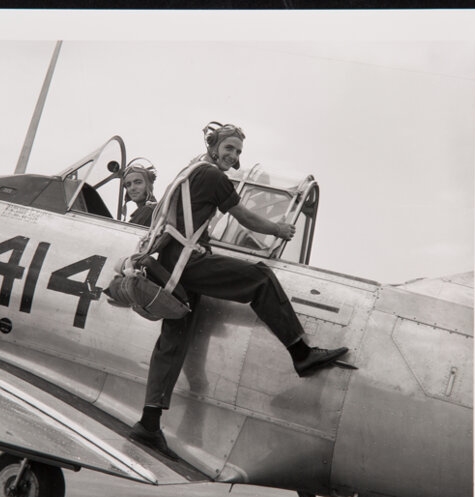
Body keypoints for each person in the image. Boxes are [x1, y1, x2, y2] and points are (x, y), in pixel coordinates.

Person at [129, 122, 349, 460]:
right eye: (229, 149)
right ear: (214, 146)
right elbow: (244, 217)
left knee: (172, 343)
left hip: (173, 264)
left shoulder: (190, 170)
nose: (234, 156)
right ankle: (302, 354)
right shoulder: (214, 177)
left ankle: (149, 423)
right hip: (187, 264)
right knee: (260, 278)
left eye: (238, 152)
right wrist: (279, 228)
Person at [121, 159, 158, 226]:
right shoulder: (142, 211)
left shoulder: (149, 210)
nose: (132, 188)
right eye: (128, 185)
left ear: (148, 185)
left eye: (138, 182)